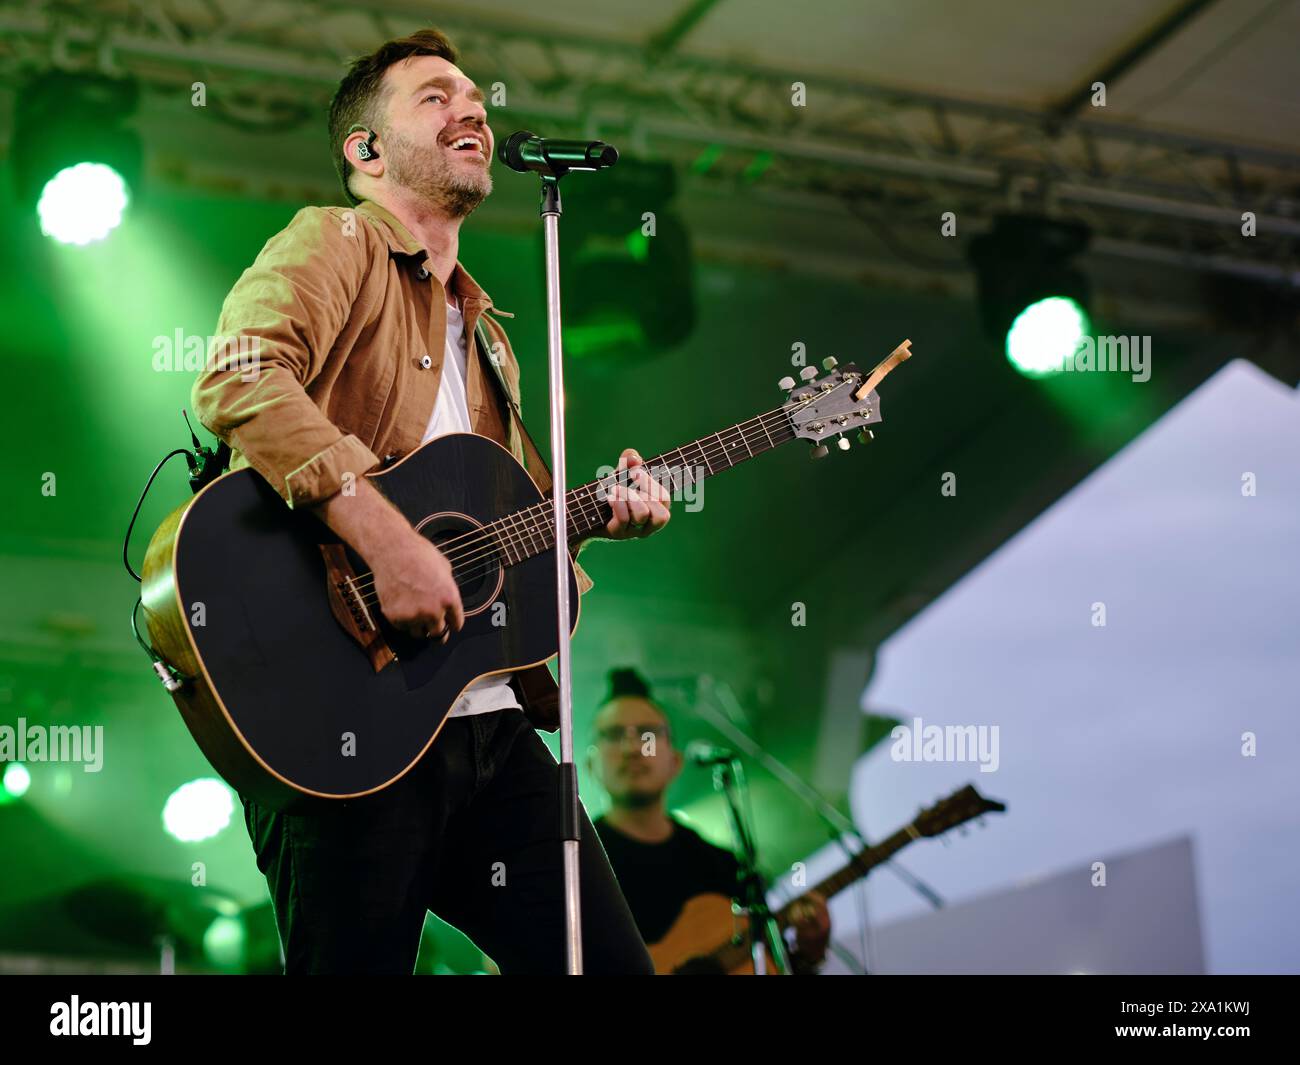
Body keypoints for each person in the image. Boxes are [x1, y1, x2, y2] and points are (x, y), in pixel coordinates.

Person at [192, 26, 672, 974]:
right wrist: (381, 535)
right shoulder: (335, 241)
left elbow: (492, 538)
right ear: (364, 151)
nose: (473, 110)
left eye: (476, 99)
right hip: (347, 720)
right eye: (435, 98)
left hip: (488, 722)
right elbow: (239, 376)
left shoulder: (489, 336)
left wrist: (598, 517)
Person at [589, 669, 831, 973]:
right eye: (613, 735)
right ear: (589, 765)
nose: (631, 748)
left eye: (647, 734)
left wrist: (810, 951)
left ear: (674, 761)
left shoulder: (723, 866)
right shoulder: (576, 864)